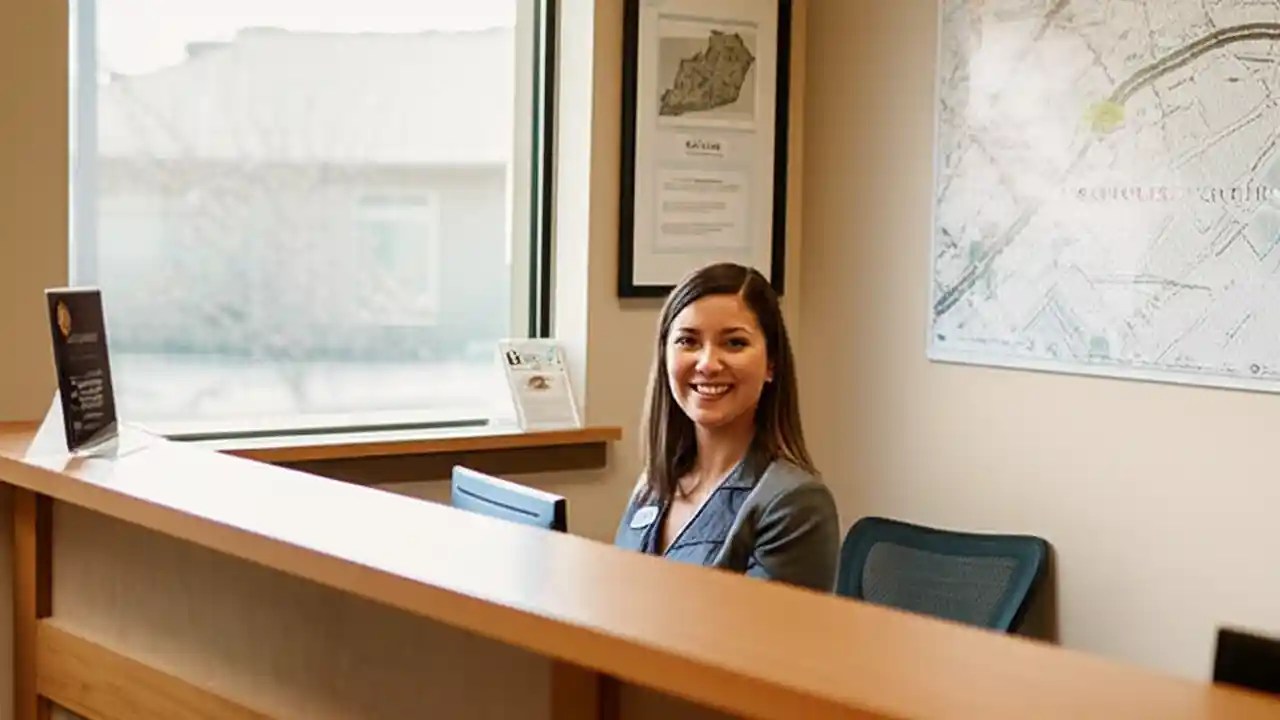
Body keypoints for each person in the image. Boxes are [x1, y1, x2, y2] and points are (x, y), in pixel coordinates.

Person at [614, 262, 840, 592]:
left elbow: (766, 640)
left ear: (771, 364)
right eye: (688, 341)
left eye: (734, 343)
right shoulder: (655, 483)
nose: (707, 364)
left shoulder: (795, 503)